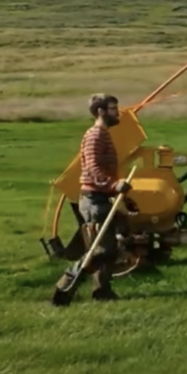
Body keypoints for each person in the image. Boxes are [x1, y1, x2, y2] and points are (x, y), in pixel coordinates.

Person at [51, 94, 135, 306]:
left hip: (102, 196)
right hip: (94, 200)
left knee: (109, 248)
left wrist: (118, 193)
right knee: (101, 249)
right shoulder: (95, 135)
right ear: (101, 111)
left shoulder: (103, 134)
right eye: (113, 108)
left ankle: (102, 292)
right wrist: (113, 185)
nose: (118, 112)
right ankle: (63, 286)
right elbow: (93, 168)